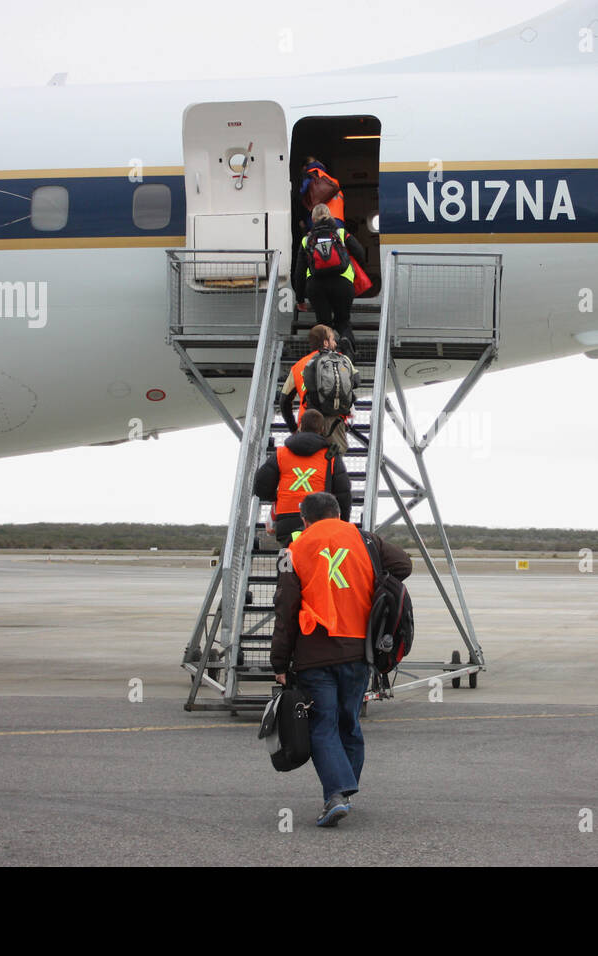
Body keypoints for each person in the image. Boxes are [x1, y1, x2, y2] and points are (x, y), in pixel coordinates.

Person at [269, 492, 413, 827]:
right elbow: (404, 565)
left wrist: (279, 663)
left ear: (305, 520)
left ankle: (335, 794)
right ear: (339, 513)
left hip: (314, 653)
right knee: (349, 722)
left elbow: (286, 610)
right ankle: (343, 793)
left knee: (322, 725)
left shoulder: (294, 549)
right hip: (358, 651)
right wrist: (373, 581)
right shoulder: (364, 538)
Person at [252, 408, 352, 546]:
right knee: (317, 556)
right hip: (320, 516)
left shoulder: (281, 453)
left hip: (287, 517)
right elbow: (343, 493)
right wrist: (342, 523)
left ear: (300, 426)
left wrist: (278, 497)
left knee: (291, 557)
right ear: (322, 429)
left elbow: (261, 486)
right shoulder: (330, 456)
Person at [293, 203, 367, 357]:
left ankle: (326, 359)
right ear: (330, 215)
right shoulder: (340, 233)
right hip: (343, 283)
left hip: (316, 286)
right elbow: (360, 253)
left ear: (313, 220)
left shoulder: (307, 240)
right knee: (343, 321)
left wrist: (300, 298)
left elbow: (299, 272)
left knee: (324, 324)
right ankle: (346, 344)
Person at [280, 322, 357, 458]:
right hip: (335, 423)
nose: (335, 343)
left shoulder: (298, 366)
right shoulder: (341, 359)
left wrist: (293, 428)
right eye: (333, 339)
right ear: (326, 343)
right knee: (333, 466)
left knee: (309, 465)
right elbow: (356, 381)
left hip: (308, 424)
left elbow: (284, 402)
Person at [298, 157, 345, 226]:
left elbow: (302, 192)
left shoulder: (310, 176)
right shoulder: (331, 180)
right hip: (338, 218)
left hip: (321, 219)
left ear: (304, 167)